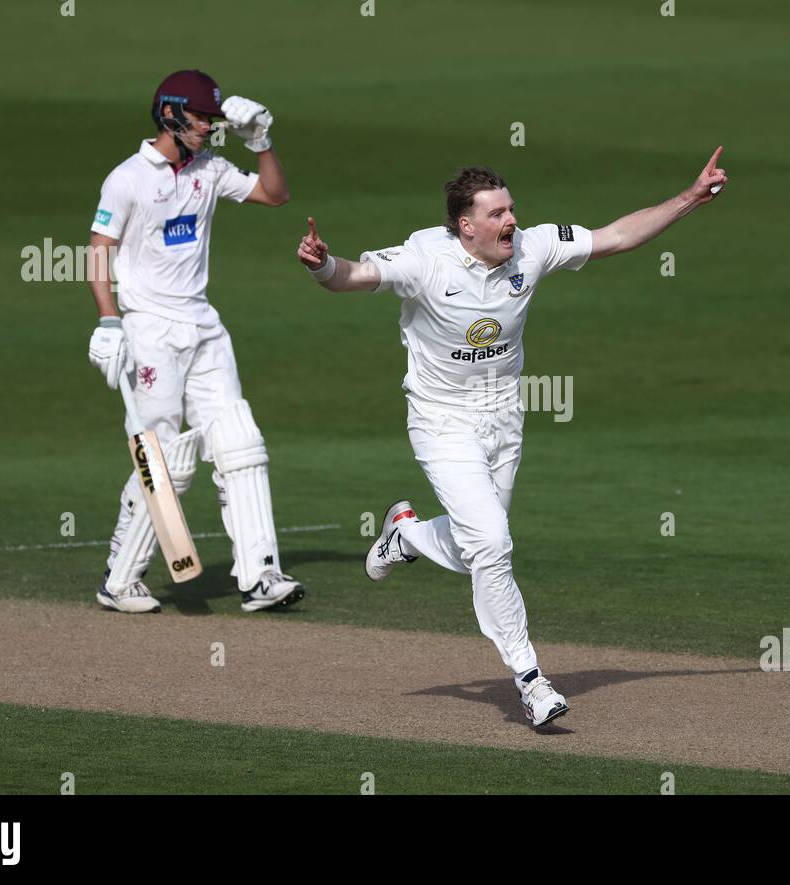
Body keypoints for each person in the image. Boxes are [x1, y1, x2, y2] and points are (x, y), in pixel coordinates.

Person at [296, 148, 728, 725]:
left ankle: (407, 537)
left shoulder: (532, 247)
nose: (511, 222)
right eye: (497, 214)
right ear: (464, 226)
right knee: (494, 546)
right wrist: (322, 264)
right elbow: (354, 276)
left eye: (511, 209)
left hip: (504, 418)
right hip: (442, 421)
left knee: (479, 546)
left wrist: (690, 198)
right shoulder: (426, 257)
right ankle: (531, 680)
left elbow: (617, 237)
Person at [86, 69, 303, 614]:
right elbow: (98, 252)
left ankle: (261, 577)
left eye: (214, 118)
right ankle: (120, 581)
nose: (210, 127)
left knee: (240, 444)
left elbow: (275, 195)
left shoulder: (211, 169)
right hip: (149, 330)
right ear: (171, 115)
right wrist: (109, 321)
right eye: (203, 118)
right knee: (164, 459)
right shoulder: (127, 178)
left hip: (204, 325)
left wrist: (262, 142)